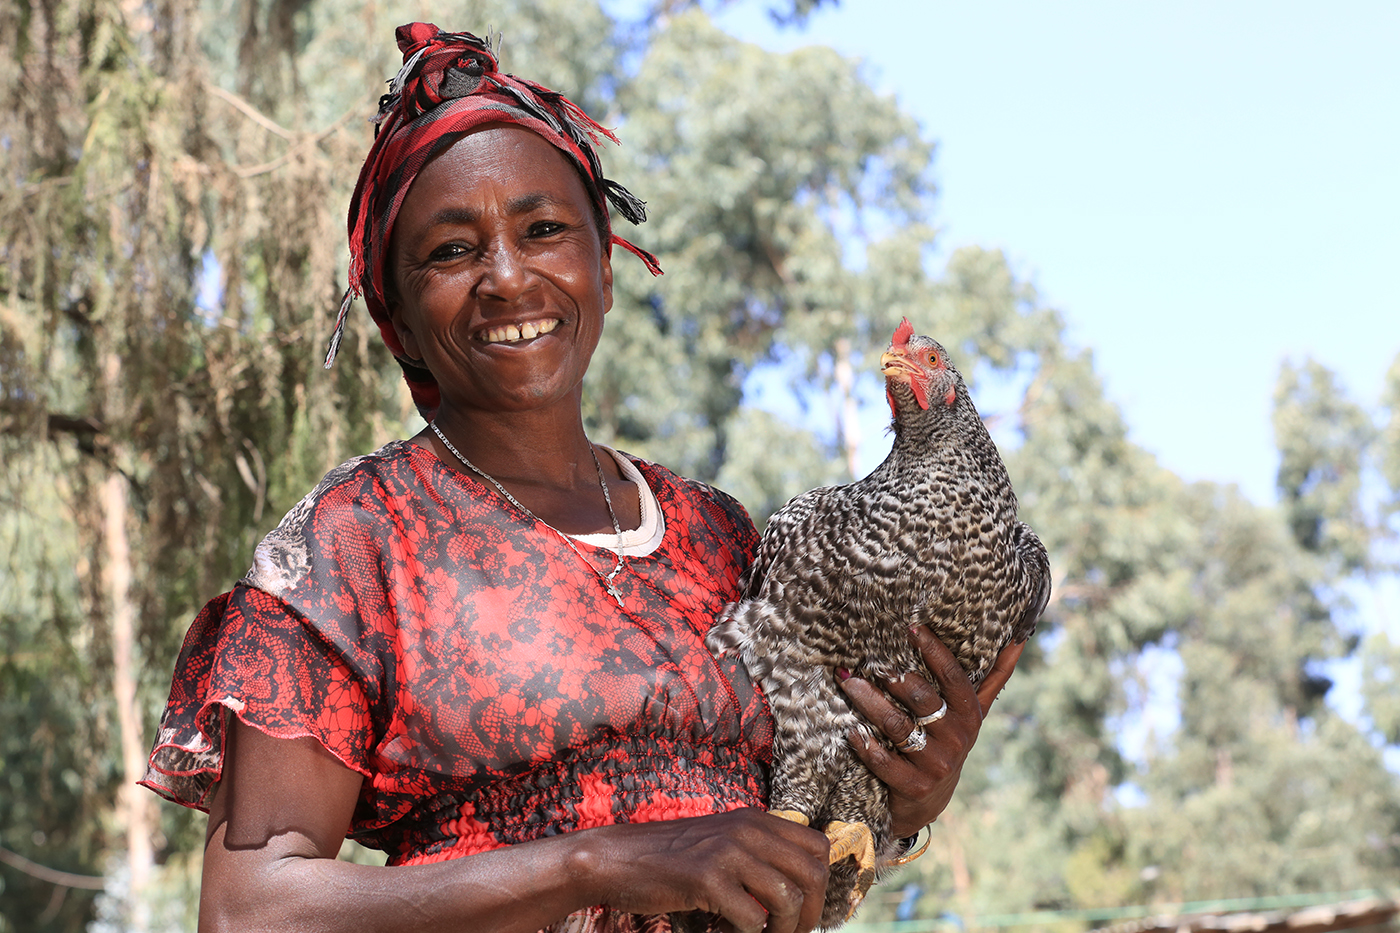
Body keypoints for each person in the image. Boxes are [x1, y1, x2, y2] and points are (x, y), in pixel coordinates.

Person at [141, 24, 1023, 933]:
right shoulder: (352, 545)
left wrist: (904, 794)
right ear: (395, 318)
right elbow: (251, 912)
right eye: (451, 252)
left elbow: (797, 843)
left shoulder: (718, 534)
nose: (508, 277)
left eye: (545, 230)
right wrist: (593, 863)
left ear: (602, 266)